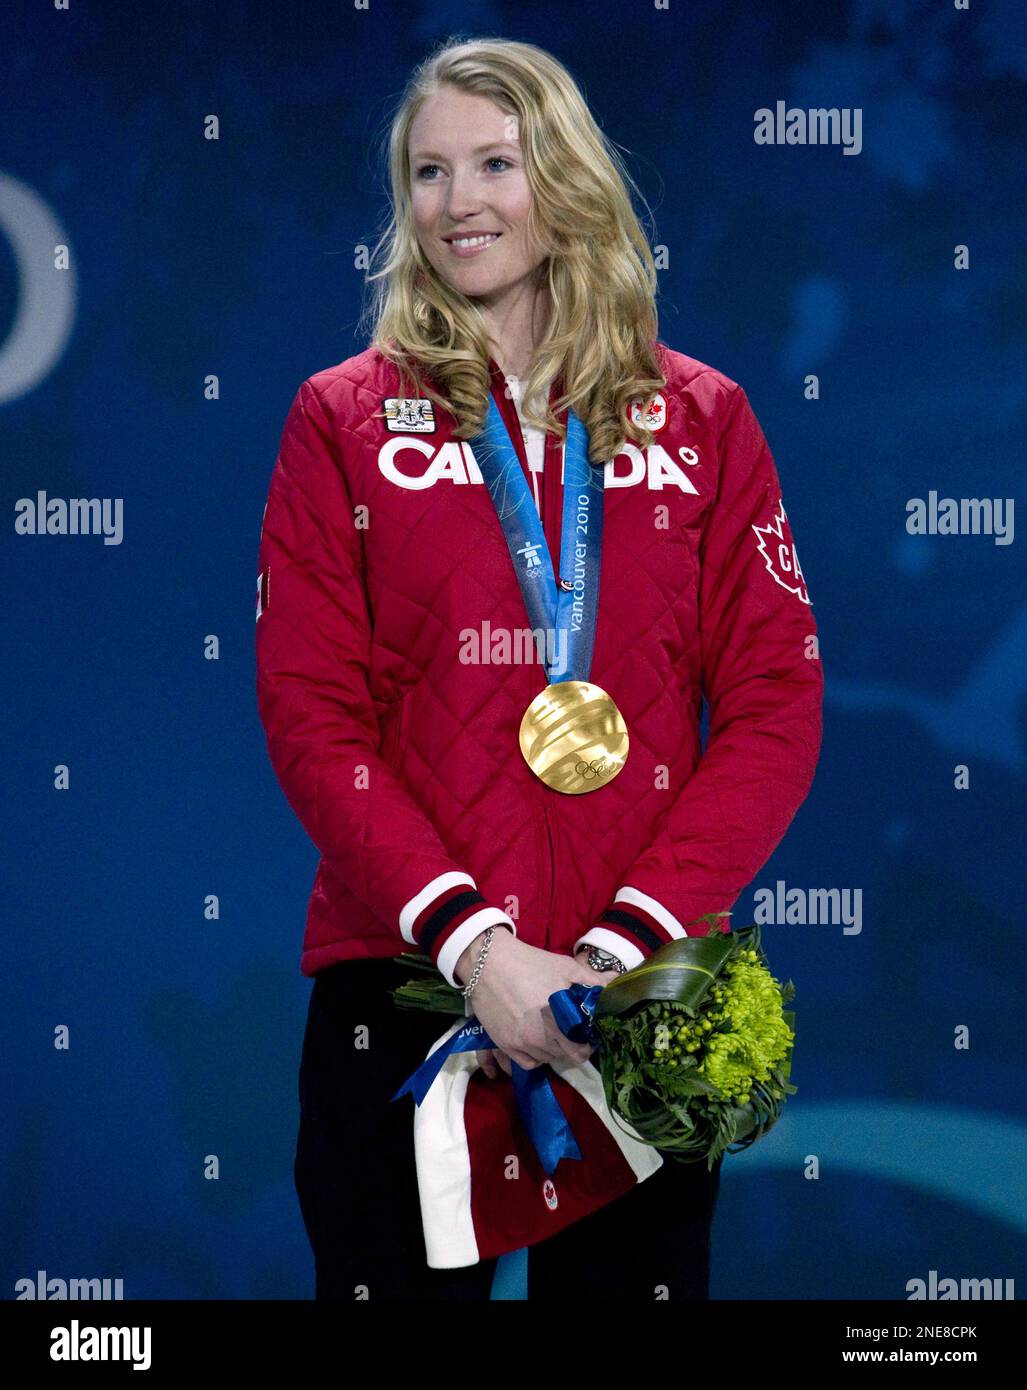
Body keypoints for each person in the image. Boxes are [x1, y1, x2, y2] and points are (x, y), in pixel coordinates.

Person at [255, 35, 824, 1301]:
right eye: (428, 171)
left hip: (638, 1000)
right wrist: (476, 946)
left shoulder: (704, 419)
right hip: (405, 988)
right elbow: (310, 711)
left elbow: (776, 706)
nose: (459, 202)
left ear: (562, 179)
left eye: (495, 163)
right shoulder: (343, 422)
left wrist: (625, 948)